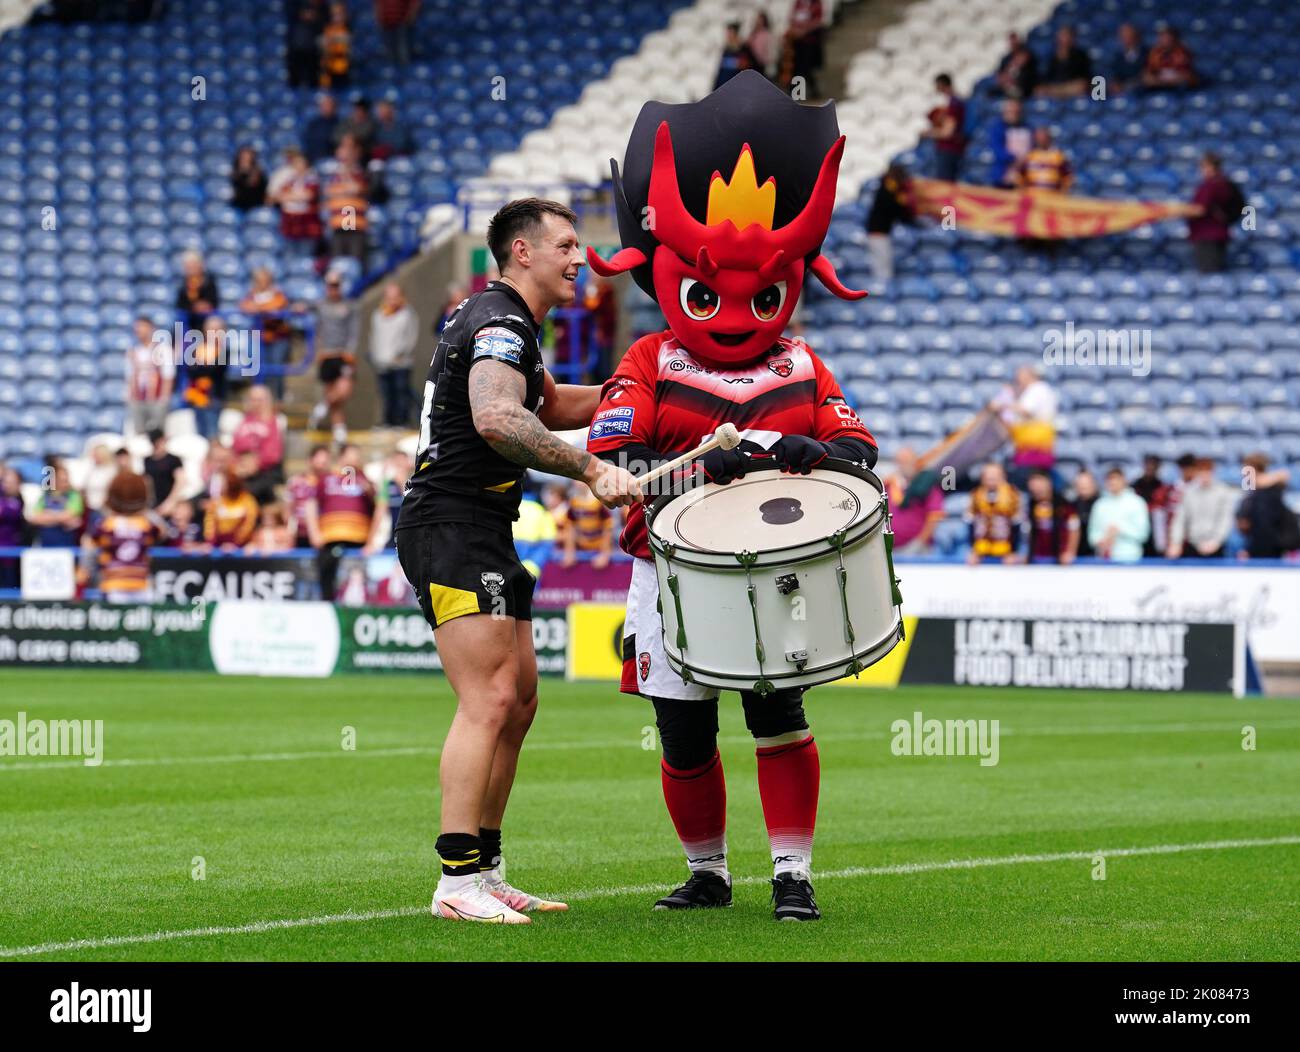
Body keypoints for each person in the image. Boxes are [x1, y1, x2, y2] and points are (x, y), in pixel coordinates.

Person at [585, 73, 879, 921]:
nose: (734, 313)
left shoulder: (803, 364)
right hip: (669, 573)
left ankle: (793, 872)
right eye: (708, 293)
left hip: (776, 575)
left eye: (760, 292)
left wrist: (809, 449)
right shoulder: (648, 361)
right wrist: (689, 473)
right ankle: (708, 870)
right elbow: (616, 458)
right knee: (683, 735)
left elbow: (858, 456)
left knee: (778, 717)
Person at [395, 197, 640, 924]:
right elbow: (498, 418)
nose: (580, 258)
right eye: (566, 245)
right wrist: (592, 471)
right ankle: (455, 880)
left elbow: (554, 405)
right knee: (490, 699)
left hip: (483, 529)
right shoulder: (499, 322)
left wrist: (653, 394)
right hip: (454, 525)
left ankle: (489, 869)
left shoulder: (510, 327)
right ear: (522, 252)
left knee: (521, 698)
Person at [306, 443, 386, 599]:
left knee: (358, 582)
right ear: (342, 456)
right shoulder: (326, 479)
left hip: (359, 541)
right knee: (327, 578)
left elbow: (380, 508)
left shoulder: (365, 481)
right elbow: (311, 505)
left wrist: (371, 541)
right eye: (352, 454)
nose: (356, 459)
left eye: (358, 455)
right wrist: (314, 533)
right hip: (329, 540)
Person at [84, 472, 167, 602]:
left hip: (136, 583)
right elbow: (162, 531)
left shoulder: (109, 523)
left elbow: (162, 532)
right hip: (116, 583)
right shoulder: (113, 524)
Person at [309, 270, 359, 443]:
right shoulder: (320, 306)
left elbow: (353, 331)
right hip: (327, 354)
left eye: (336, 285)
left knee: (344, 390)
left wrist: (350, 351)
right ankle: (339, 427)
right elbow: (317, 330)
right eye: (330, 285)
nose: (333, 289)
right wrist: (318, 350)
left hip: (343, 354)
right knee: (334, 396)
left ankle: (322, 406)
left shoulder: (349, 306)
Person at [990, 365, 1058, 488]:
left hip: (1034, 449)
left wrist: (1003, 403)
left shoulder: (1038, 389)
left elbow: (1026, 410)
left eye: (1019, 378)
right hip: (1027, 447)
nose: (1018, 381)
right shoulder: (1031, 392)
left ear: (1029, 376)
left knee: (1030, 482)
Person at [369, 281, 419, 428]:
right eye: (389, 296)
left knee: (401, 394)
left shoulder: (407, 313)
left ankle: (401, 422)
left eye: (395, 296)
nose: (392, 300)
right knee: (386, 394)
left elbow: (411, 336)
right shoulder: (378, 314)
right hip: (382, 362)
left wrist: (401, 353)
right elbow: (374, 336)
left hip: (401, 362)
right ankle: (387, 422)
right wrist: (376, 356)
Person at [1166, 457, 1236, 559]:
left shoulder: (1223, 492)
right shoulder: (1188, 492)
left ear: (1212, 472)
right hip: (1193, 545)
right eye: (1201, 471)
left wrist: (1216, 541)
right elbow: (1180, 519)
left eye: (1207, 471)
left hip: (1216, 547)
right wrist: (1175, 542)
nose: (1204, 475)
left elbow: (1225, 519)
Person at [1185, 152, 1242, 274]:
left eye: (1203, 167)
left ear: (1211, 167)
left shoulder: (1213, 185)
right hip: (1214, 234)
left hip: (1208, 235)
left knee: (1210, 272)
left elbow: (1200, 209)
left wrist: (1178, 210)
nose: (1202, 170)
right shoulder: (1223, 184)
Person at [240, 268, 292, 399]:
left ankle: (278, 399)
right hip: (258, 338)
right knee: (255, 369)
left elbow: (277, 305)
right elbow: (244, 306)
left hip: (277, 339)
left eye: (264, 280)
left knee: (276, 370)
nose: (262, 283)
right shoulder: (251, 294)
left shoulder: (278, 294)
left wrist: (259, 308)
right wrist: (264, 308)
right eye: (259, 281)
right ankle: (257, 400)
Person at [230, 384, 285, 505]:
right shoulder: (243, 422)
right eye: (253, 399)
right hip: (243, 470)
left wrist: (254, 464)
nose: (256, 403)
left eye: (260, 400)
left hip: (264, 472)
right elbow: (235, 447)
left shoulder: (274, 422)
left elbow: (273, 455)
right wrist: (239, 465)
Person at [1237, 453, 1298, 560]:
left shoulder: (1269, 491)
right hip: (1260, 541)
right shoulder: (1252, 494)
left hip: (1272, 542)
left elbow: (1283, 475)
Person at [883, 446, 944, 554]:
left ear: (916, 462)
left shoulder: (927, 484)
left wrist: (919, 543)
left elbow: (934, 517)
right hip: (889, 548)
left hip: (917, 549)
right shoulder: (890, 484)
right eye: (901, 461)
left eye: (907, 461)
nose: (904, 465)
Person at [125, 315, 174, 436]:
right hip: (138, 398)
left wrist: (164, 398)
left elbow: (168, 375)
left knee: (157, 433)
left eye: (142, 327)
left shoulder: (162, 350)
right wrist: (130, 396)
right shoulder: (133, 351)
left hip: (157, 398)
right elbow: (130, 376)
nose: (138, 330)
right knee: (139, 432)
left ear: (151, 328)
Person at [864, 163, 915, 280]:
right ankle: (882, 289)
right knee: (882, 266)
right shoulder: (887, 189)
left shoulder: (889, 188)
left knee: (884, 264)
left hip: (881, 232)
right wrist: (901, 203)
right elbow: (894, 208)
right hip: (878, 233)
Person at [1088, 467, 1150, 563]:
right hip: (1103, 560)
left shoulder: (1137, 502)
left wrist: (1119, 529)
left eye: (1116, 479)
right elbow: (1092, 536)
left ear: (1124, 480)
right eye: (1110, 479)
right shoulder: (1100, 504)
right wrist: (1102, 540)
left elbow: (1143, 534)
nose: (1113, 482)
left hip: (1130, 559)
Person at [966, 461, 1023, 564]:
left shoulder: (1013, 495)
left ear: (1003, 476)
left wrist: (1013, 551)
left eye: (995, 475)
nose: (991, 478)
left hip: (1004, 546)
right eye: (987, 475)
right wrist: (973, 551)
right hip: (981, 545)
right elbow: (970, 523)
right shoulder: (975, 495)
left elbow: (1016, 525)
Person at [325, 134, 370, 262]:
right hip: (338, 224)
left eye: (350, 148)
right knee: (337, 264)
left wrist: (346, 183)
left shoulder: (361, 172)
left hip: (355, 225)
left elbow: (358, 188)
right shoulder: (333, 174)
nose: (346, 152)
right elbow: (329, 192)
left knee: (355, 263)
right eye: (344, 147)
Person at [183, 315, 228, 440]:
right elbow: (191, 370)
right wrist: (204, 367)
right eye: (210, 329)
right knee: (199, 435)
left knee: (212, 434)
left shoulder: (224, 350)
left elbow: (215, 370)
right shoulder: (198, 348)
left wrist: (201, 366)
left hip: (213, 398)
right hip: (198, 397)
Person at [267, 147, 323, 249]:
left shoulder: (312, 179)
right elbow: (276, 197)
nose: (297, 166)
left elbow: (308, 195)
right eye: (295, 164)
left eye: (300, 163)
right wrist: (293, 196)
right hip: (290, 225)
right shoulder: (290, 181)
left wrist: (289, 196)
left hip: (307, 225)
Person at [1024, 469, 1079, 564]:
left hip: (1060, 560)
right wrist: (1024, 554)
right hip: (1037, 560)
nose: (1037, 490)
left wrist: (1070, 552)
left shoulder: (1064, 505)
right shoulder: (1030, 506)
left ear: (1048, 483)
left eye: (1039, 485)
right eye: (1033, 487)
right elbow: (1026, 534)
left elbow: (1074, 530)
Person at [557, 482, 614, 569]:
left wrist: (605, 554)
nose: (578, 483)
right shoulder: (574, 501)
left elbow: (608, 528)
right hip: (582, 547)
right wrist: (569, 553)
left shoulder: (598, 501)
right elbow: (570, 527)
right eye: (576, 480)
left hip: (598, 548)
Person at [29, 460, 84, 548]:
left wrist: (47, 514)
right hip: (46, 544)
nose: (65, 483)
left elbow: (70, 515)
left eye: (66, 479)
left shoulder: (74, 495)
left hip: (66, 544)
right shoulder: (45, 496)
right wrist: (61, 519)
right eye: (61, 480)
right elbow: (35, 518)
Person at [922, 73, 966, 182]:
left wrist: (929, 133)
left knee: (945, 184)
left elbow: (947, 132)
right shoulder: (956, 101)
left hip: (949, 150)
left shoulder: (954, 104)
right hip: (951, 149)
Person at [203, 468, 260, 550]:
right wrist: (210, 542)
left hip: (241, 546)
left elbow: (249, 522)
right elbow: (209, 522)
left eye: (222, 483)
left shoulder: (247, 500)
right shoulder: (216, 501)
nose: (219, 486)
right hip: (218, 545)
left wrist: (235, 542)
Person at [288, 444, 331, 548]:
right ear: (310, 460)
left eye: (325, 461)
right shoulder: (296, 482)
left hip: (324, 534)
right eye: (319, 460)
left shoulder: (331, 483)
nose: (322, 464)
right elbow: (289, 509)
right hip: (300, 535)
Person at [1132, 454, 1172, 557]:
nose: (1150, 468)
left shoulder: (1163, 487)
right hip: (1138, 527)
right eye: (1148, 465)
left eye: (1153, 465)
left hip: (1156, 530)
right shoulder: (1135, 486)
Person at [1037, 24, 1092, 98]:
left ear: (1072, 38)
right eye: (1061, 36)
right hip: (1055, 88)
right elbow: (1046, 79)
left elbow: (1083, 80)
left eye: (1066, 36)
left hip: (1072, 87)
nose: (1063, 39)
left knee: (1079, 87)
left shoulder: (1080, 55)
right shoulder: (1051, 55)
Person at [988, 98, 1032, 188]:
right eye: (1011, 111)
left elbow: (1032, 147)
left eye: (1017, 112)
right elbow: (997, 150)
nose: (1014, 114)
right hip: (1003, 175)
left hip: (1024, 176)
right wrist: (1014, 158)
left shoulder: (1028, 127)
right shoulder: (998, 128)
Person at [1015, 126, 1073, 193]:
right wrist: (1023, 190)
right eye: (1039, 137)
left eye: (1044, 136)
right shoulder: (1029, 156)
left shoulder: (1059, 156)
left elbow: (1068, 177)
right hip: (1033, 196)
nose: (1041, 139)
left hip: (1053, 197)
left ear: (1049, 138)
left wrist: (1063, 191)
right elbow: (1019, 175)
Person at [142, 429, 186, 516]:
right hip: (153, 504)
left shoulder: (173, 460)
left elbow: (180, 482)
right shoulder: (147, 460)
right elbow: (147, 482)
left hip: (171, 503)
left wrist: (170, 503)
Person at [1143, 22, 1198, 90]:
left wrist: (1169, 81)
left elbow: (1187, 76)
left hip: (1178, 86)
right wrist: (1155, 80)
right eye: (1162, 36)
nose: (1165, 39)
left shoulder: (1183, 52)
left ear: (1174, 38)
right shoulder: (1155, 53)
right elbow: (1148, 73)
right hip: (1159, 84)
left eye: (1168, 36)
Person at [175, 249, 219, 334]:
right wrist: (194, 307)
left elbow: (214, 303)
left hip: (206, 320)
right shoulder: (183, 284)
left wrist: (204, 307)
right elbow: (180, 305)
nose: (190, 268)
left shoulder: (209, 282)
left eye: (193, 265)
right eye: (188, 266)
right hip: (189, 321)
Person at [0, 467, 25, 589]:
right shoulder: (2, 496)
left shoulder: (18, 501)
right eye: (4, 482)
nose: (6, 485)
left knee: (9, 587)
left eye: (11, 482)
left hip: (10, 553)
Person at [714, 21, 757, 90]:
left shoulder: (744, 48)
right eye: (727, 33)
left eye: (730, 33)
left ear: (736, 33)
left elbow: (749, 66)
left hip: (739, 86)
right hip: (724, 86)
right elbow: (721, 71)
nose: (728, 35)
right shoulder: (726, 49)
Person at [375, 0, 419, 66]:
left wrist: (408, 18)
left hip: (401, 25)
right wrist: (380, 20)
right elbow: (378, 5)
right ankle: (390, 72)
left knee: (402, 52)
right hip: (385, 25)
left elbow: (414, 3)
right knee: (388, 53)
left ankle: (405, 73)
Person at [995, 32, 1038, 99]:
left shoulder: (1028, 55)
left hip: (1024, 89)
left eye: (1015, 40)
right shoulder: (1006, 58)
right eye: (1011, 41)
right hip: (1007, 87)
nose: (1013, 43)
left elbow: (1030, 75)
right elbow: (1000, 75)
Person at [319, 2, 351, 89]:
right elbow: (323, 45)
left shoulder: (348, 28)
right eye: (335, 14)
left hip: (344, 65)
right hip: (330, 65)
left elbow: (348, 42)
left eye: (339, 14)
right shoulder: (328, 29)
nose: (337, 17)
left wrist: (334, 39)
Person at [303, 93, 341, 165]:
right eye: (324, 105)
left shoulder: (340, 124)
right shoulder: (313, 124)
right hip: (313, 159)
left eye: (329, 105)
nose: (326, 107)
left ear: (335, 107)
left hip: (333, 160)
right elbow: (308, 142)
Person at [1071, 468, 1099, 558]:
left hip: (1098, 556)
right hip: (1075, 555)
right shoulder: (1070, 507)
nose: (1083, 486)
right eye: (1080, 483)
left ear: (1094, 484)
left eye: (1087, 483)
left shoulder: (1103, 505)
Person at [1111, 23, 1146, 92]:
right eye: (1123, 36)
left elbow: (1147, 76)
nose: (1125, 38)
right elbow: (1116, 76)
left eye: (1128, 35)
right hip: (1124, 92)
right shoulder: (1118, 57)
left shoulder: (1146, 54)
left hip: (1142, 90)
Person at [230, 145, 267, 210]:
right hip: (239, 204)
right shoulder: (234, 172)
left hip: (255, 203)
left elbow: (262, 188)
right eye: (243, 156)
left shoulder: (258, 172)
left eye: (248, 155)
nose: (245, 158)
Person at [747, 11, 774, 77]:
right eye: (758, 20)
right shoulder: (754, 32)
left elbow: (769, 50)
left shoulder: (767, 34)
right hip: (751, 61)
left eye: (761, 20)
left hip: (760, 63)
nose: (758, 22)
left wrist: (765, 60)